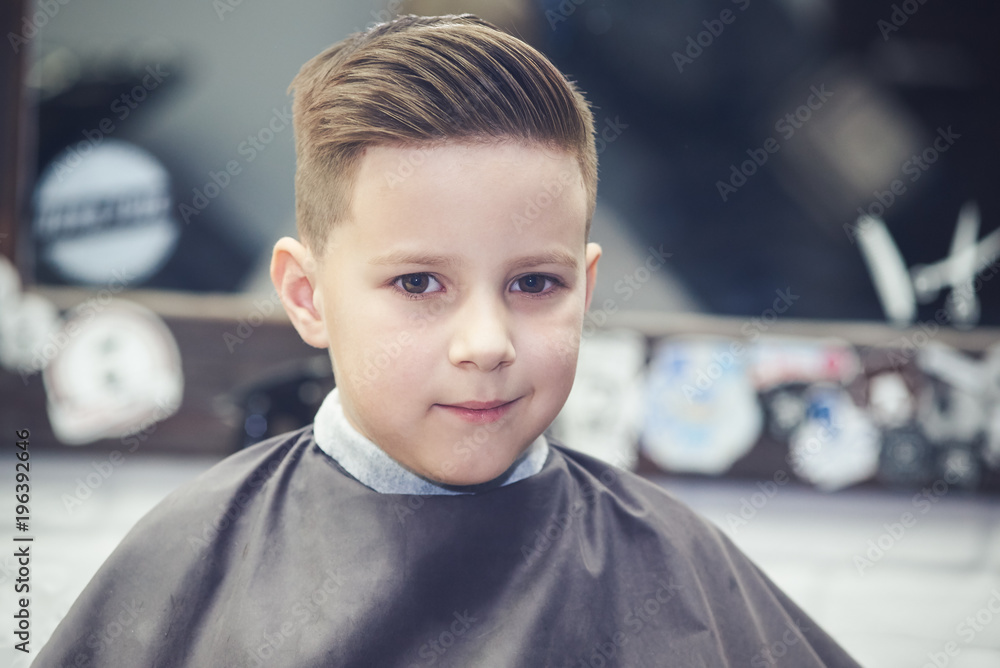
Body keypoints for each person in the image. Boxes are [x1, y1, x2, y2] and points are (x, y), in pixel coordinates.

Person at [35, 14, 860, 667]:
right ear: (307, 295)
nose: (486, 344)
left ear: (587, 290)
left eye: (536, 284)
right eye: (419, 284)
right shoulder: (190, 561)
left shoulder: (680, 569)